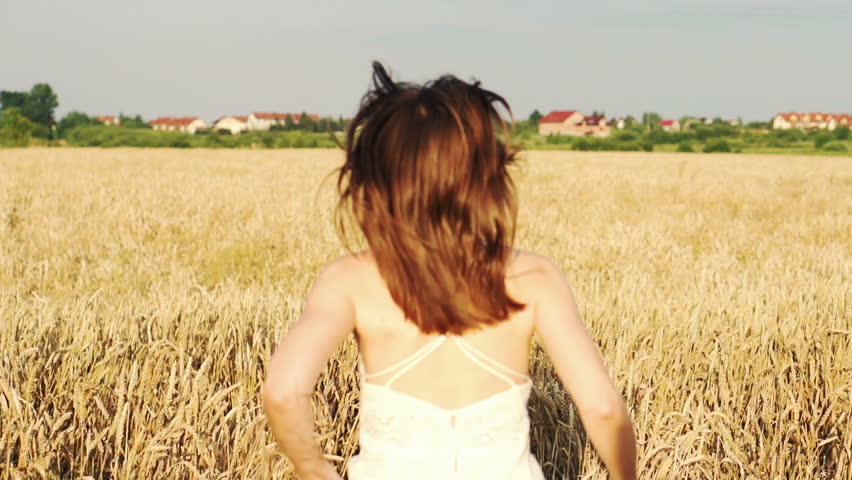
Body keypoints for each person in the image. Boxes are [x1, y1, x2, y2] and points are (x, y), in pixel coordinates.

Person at [263, 62, 637, 480]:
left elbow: (283, 392)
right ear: (486, 175)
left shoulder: (350, 280)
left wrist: (315, 471)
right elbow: (603, 408)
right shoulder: (534, 278)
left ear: (377, 177)